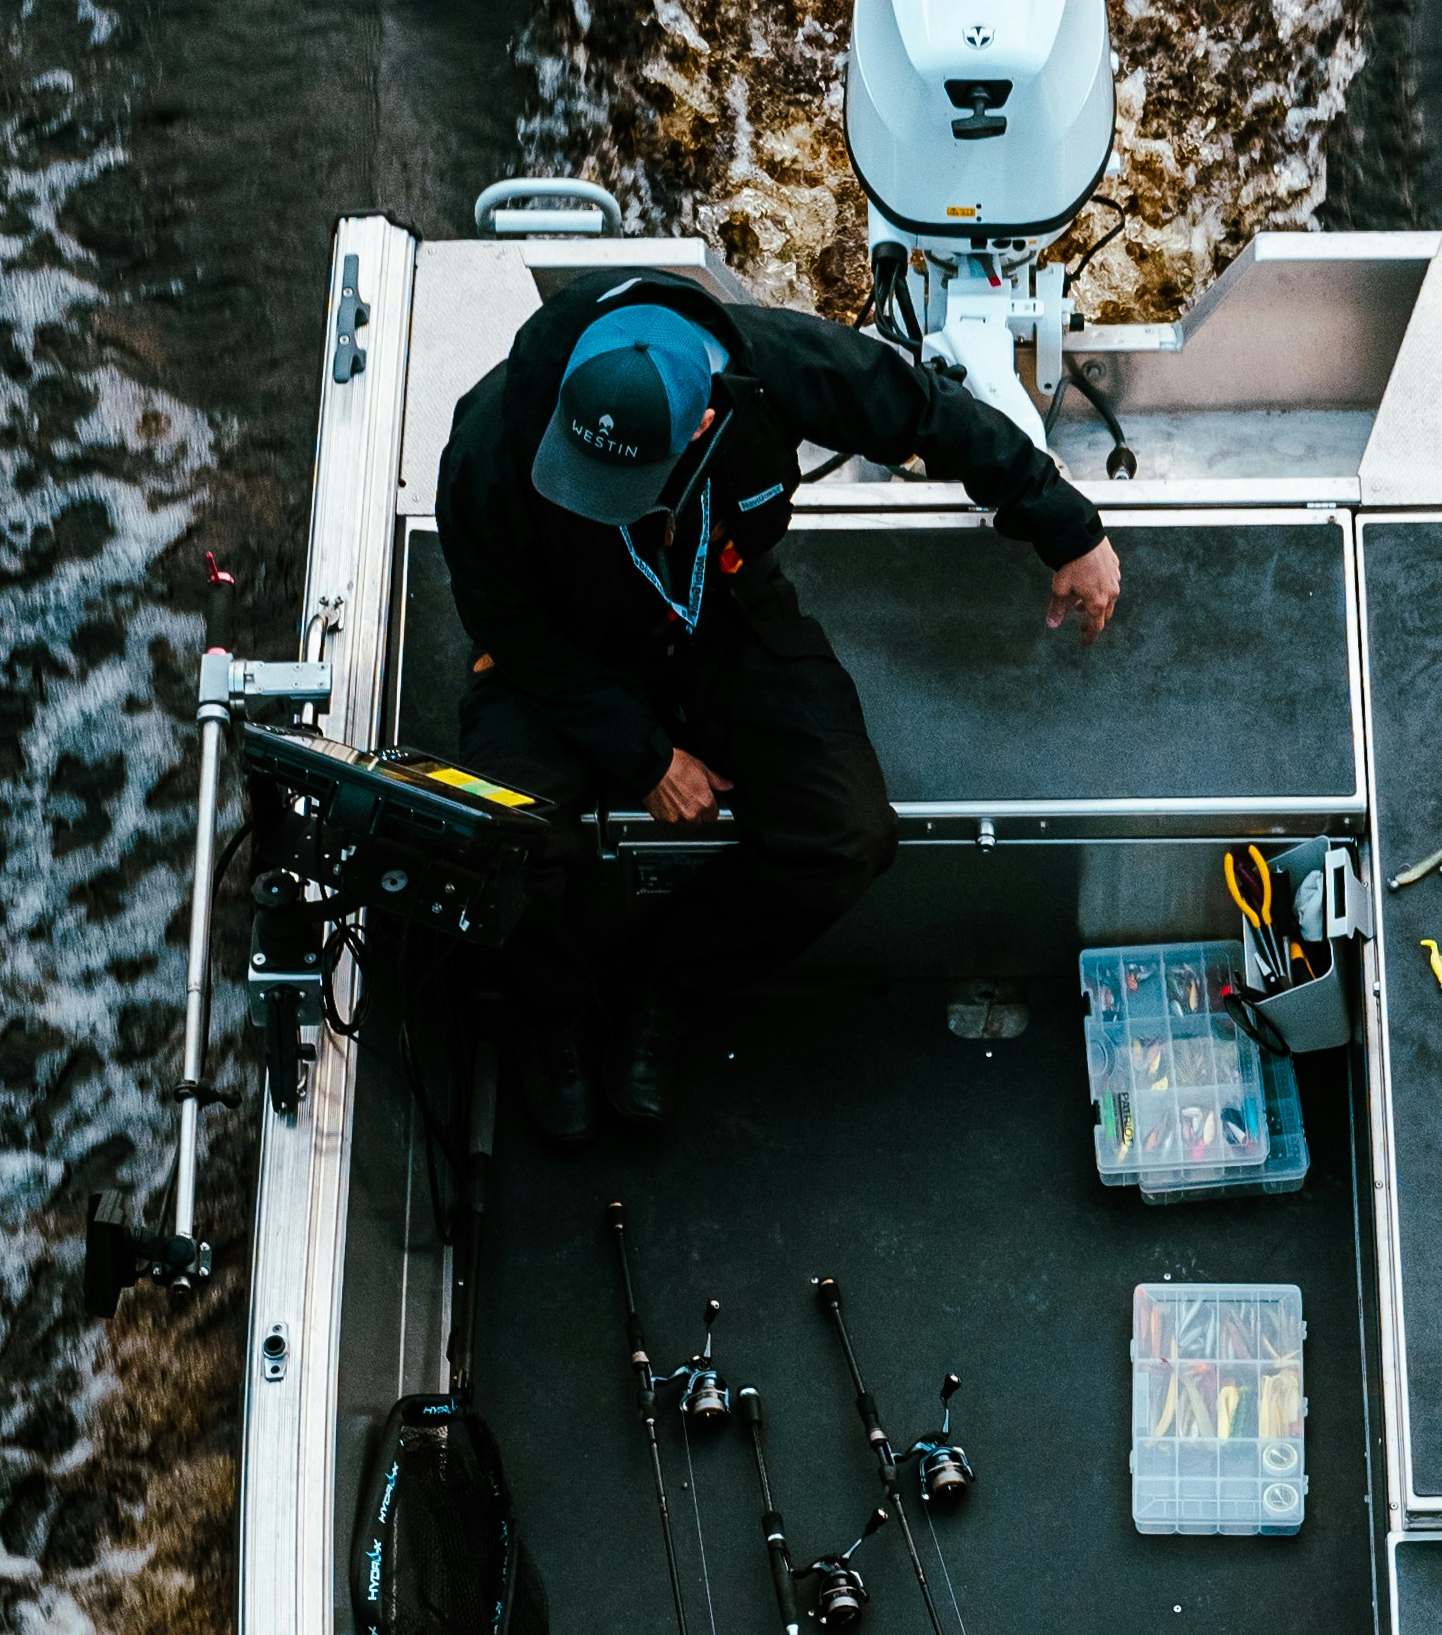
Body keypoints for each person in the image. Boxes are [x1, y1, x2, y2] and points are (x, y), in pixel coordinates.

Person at [434, 264, 1119, 1134]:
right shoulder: (492, 437)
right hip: (557, 653)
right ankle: (552, 1013)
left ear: (705, 422)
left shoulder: (779, 360)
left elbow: (918, 411)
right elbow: (503, 615)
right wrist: (643, 757)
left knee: (846, 834)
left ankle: (660, 980)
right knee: (510, 839)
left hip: (715, 612)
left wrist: (1065, 521)